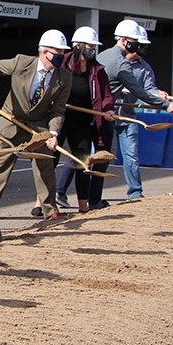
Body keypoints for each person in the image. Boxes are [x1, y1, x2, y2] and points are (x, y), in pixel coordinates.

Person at [0, 30, 72, 221]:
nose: (62, 56)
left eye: (63, 52)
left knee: (45, 163)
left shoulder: (65, 77)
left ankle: (49, 208)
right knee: (1, 162)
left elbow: (58, 110)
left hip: (38, 125)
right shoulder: (22, 62)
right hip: (11, 119)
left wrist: (53, 133)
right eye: (58, 51)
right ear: (45, 52)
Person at [91, 20, 173, 205]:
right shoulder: (111, 60)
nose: (142, 48)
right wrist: (163, 105)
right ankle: (80, 196)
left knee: (131, 154)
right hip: (105, 115)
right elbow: (135, 90)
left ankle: (135, 192)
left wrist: (159, 95)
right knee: (98, 156)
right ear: (126, 42)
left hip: (127, 116)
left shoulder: (144, 67)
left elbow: (148, 90)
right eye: (139, 43)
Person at [50, 26, 116, 213]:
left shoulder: (97, 70)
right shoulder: (62, 64)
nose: (92, 49)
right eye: (89, 45)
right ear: (77, 46)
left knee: (82, 161)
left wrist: (108, 109)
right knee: (50, 160)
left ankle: (83, 205)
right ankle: (43, 204)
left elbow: (106, 95)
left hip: (82, 122)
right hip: (59, 119)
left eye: (94, 46)